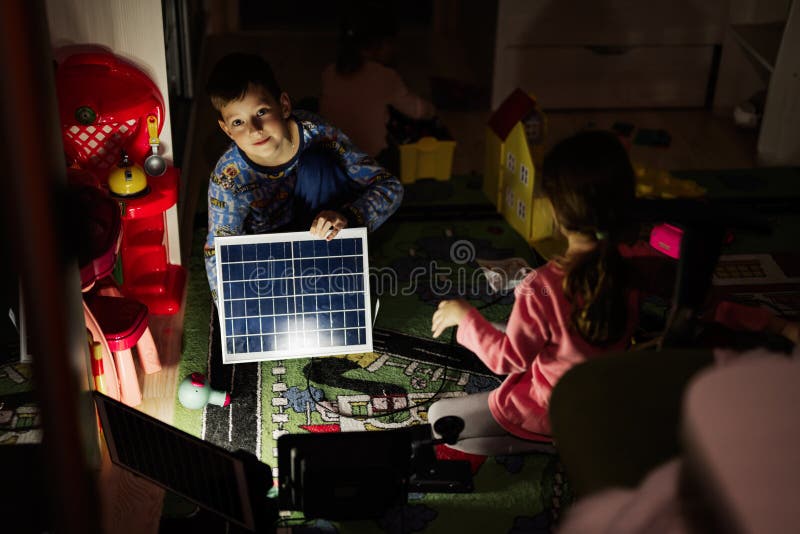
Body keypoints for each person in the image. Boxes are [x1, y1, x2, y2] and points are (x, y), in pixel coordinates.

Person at [428, 130, 640, 455]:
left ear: (556, 211)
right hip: (604, 394)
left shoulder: (542, 286)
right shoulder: (633, 263)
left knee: (438, 418)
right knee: (498, 330)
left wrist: (465, 315)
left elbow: (508, 359)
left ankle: (542, 442)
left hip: (554, 409)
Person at [203, 52, 403, 301]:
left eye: (261, 112)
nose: (254, 130)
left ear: (284, 105)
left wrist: (349, 217)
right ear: (226, 130)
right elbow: (218, 252)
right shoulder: (228, 178)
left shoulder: (319, 134)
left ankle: (340, 257)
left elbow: (390, 187)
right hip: (269, 251)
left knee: (317, 162)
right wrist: (231, 310)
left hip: (322, 229)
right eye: (238, 122)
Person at [319, 2, 435, 167]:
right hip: (369, 160)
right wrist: (432, 109)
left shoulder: (330, 72)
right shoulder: (386, 77)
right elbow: (418, 110)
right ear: (378, 45)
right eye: (391, 43)